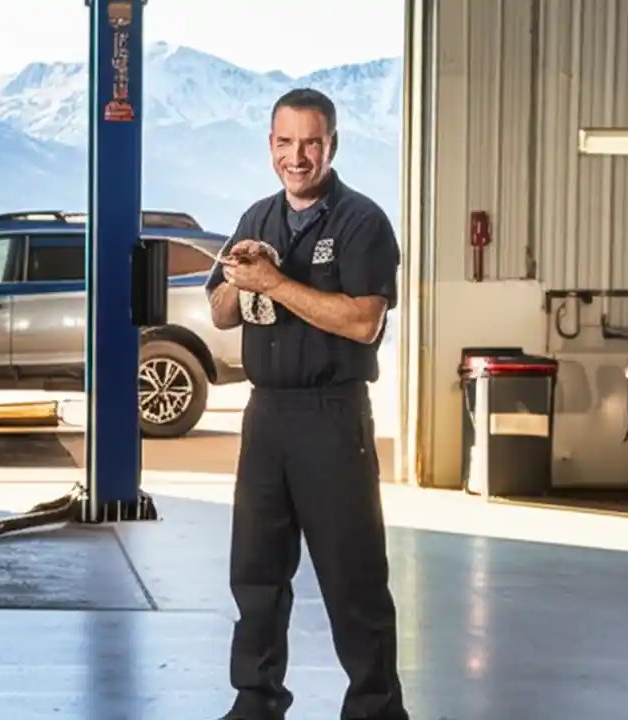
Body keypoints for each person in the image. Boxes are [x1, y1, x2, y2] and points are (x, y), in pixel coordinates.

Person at [206, 88, 409, 720]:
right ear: (271, 146)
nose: (298, 157)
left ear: (332, 145)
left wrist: (275, 283)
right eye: (285, 143)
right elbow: (217, 312)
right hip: (266, 416)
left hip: (332, 414)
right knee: (257, 573)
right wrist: (241, 278)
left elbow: (361, 322)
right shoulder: (257, 219)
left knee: (353, 578)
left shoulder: (361, 222)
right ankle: (256, 701)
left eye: (311, 143)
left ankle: (375, 709)